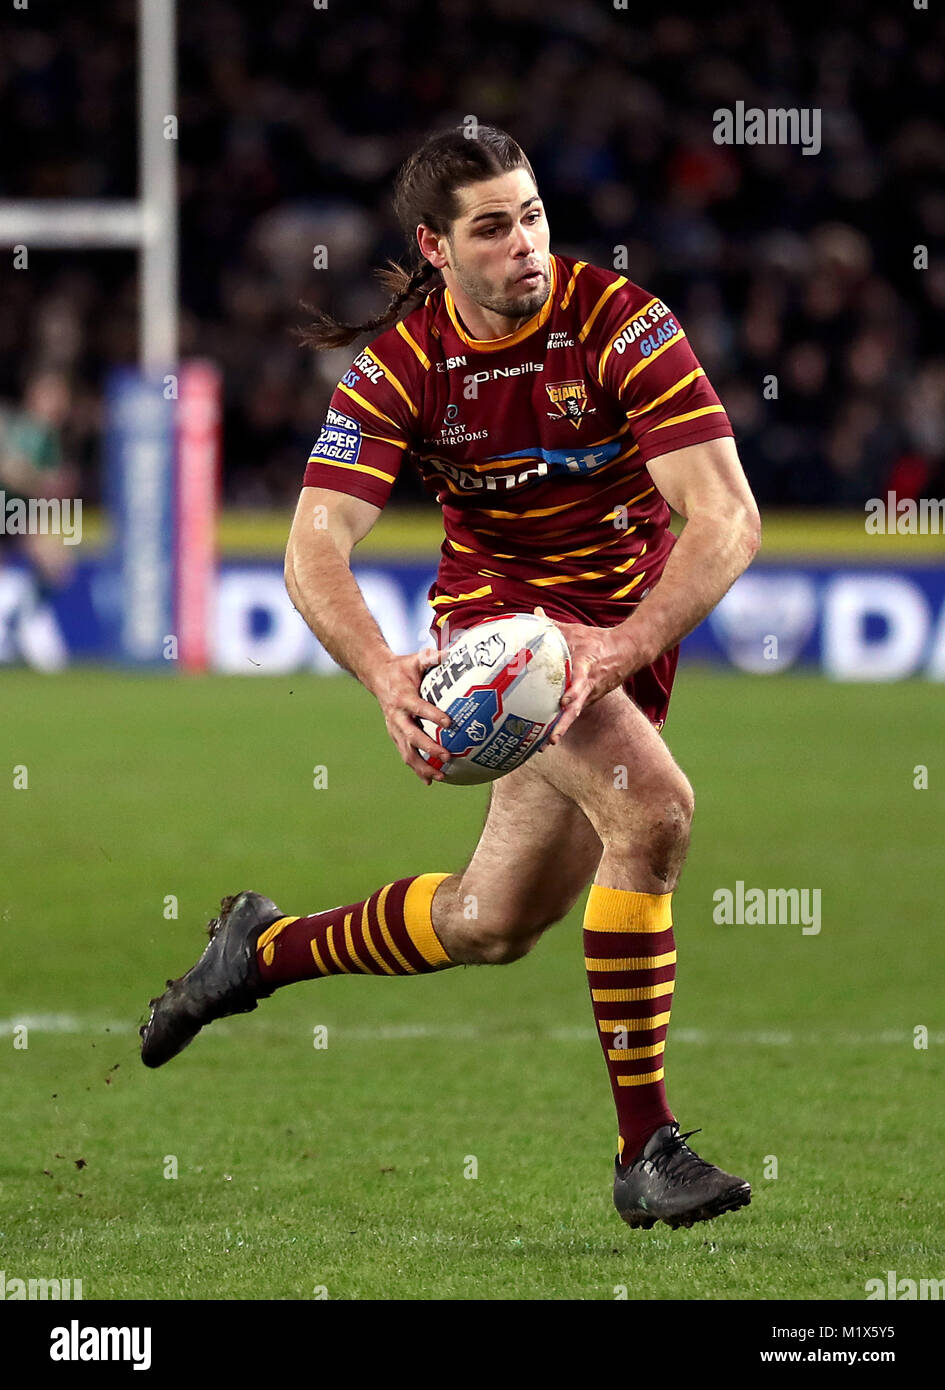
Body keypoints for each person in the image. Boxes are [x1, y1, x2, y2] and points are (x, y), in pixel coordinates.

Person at [141, 125, 761, 1232]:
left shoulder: (619, 321)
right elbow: (313, 546)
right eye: (492, 228)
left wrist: (618, 648)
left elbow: (727, 519)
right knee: (656, 812)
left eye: (531, 215)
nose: (525, 244)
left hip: (615, 641)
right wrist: (383, 669)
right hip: (507, 637)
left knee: (492, 921)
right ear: (436, 246)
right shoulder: (404, 367)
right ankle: (645, 1151)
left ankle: (258, 954)